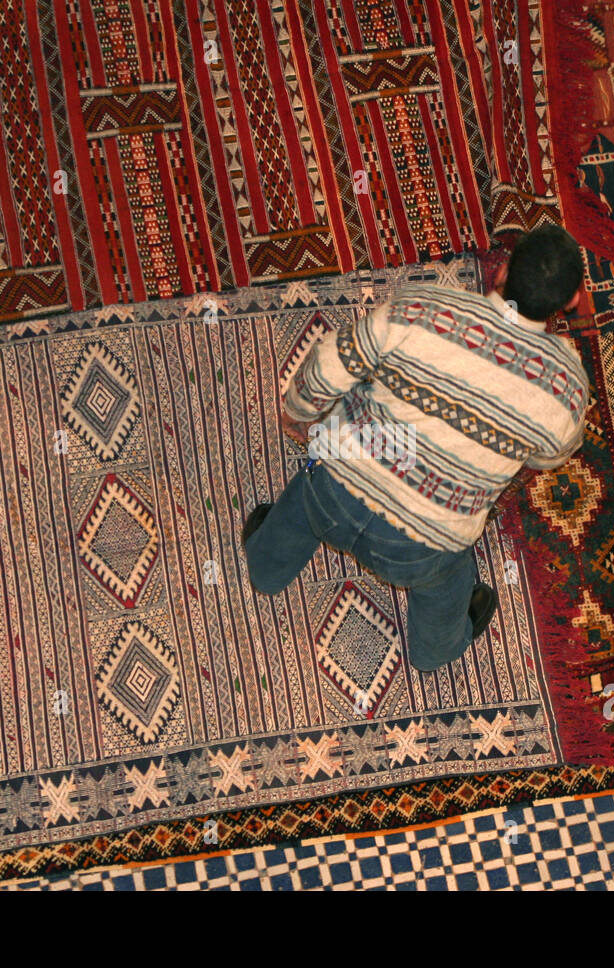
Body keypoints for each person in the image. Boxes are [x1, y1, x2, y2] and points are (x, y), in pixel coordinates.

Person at [242, 223, 591, 671]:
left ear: (501, 272)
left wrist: (299, 412)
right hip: (419, 549)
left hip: (333, 496)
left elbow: (332, 361)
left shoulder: (424, 306)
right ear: (571, 301)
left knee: (312, 484)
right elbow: (548, 456)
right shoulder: (567, 388)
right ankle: (434, 652)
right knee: (450, 578)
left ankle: (266, 569)